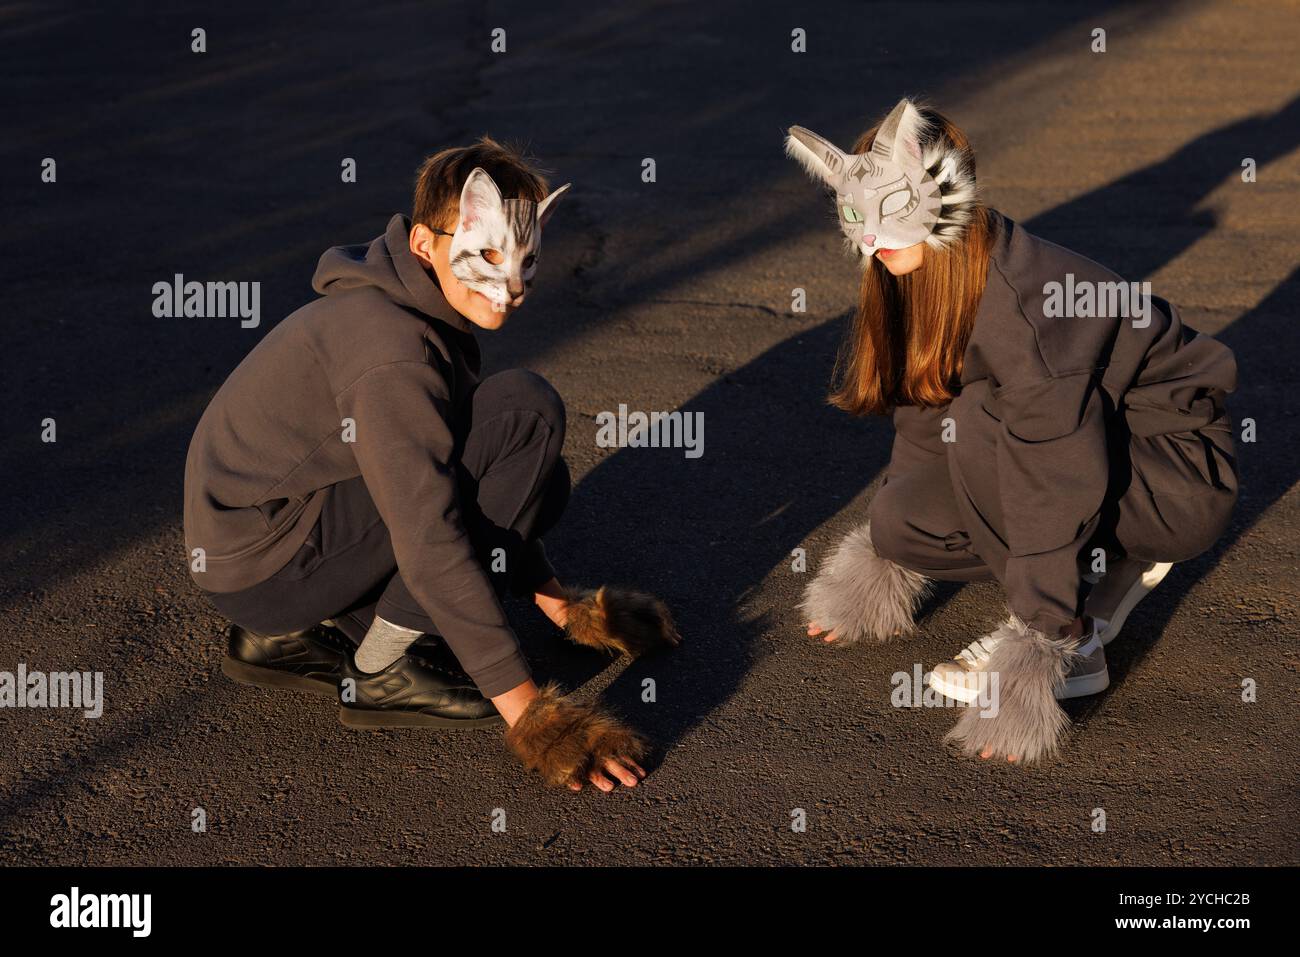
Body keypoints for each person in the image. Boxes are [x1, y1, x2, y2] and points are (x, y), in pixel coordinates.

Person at [184, 137, 678, 791]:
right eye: (492, 255)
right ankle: (383, 669)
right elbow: (430, 532)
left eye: (527, 260)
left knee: (539, 478)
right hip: (267, 559)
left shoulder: (406, 301)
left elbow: (456, 470)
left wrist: (560, 605)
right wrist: (533, 717)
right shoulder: (393, 352)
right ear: (424, 245)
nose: (513, 285)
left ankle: (287, 637)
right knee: (523, 413)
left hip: (258, 548)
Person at [787, 99, 1238, 764]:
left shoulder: (1025, 302)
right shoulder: (922, 273)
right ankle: (1101, 561)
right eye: (857, 216)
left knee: (978, 422)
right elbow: (919, 422)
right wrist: (878, 567)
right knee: (906, 517)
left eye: (889, 212)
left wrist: (1041, 630)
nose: (874, 241)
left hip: (1173, 473)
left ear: (942, 194)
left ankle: (1074, 641)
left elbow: (1055, 469)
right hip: (1084, 451)